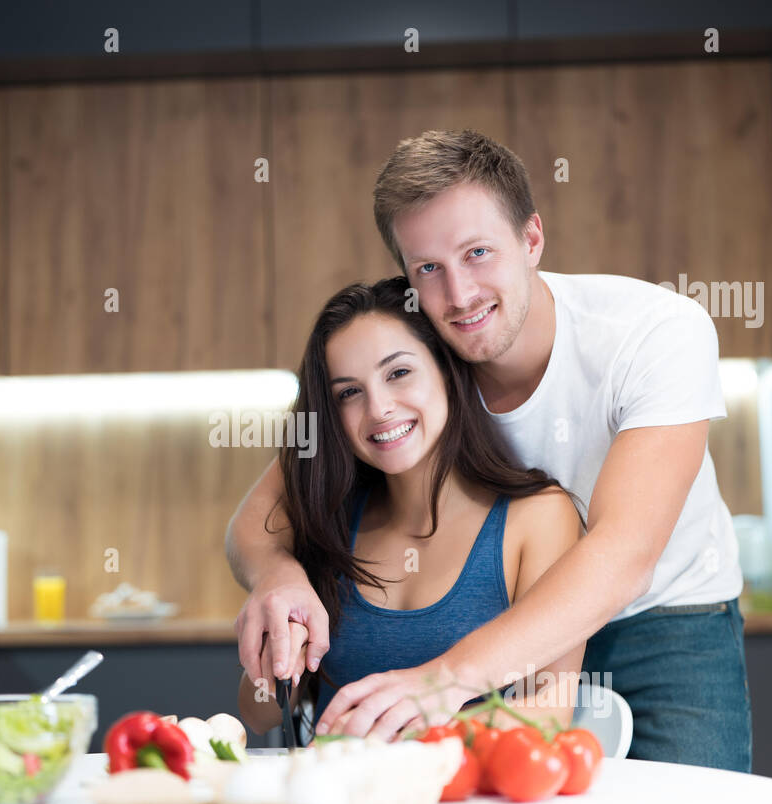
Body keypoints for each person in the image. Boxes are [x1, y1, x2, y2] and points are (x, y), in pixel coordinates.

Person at [228, 129, 752, 771]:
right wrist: (278, 576)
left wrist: (445, 680)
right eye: (428, 268)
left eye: (478, 252)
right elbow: (258, 518)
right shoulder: (418, 352)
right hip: (508, 613)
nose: (460, 293)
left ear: (531, 239)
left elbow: (624, 556)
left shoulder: (655, 333)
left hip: (662, 620)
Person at [237, 275, 585, 742]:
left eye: (399, 373)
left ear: (445, 369)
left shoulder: (538, 517)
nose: (378, 408)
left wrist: (396, 737)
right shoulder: (330, 520)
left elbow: (546, 714)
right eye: (349, 393)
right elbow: (258, 715)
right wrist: (276, 660)